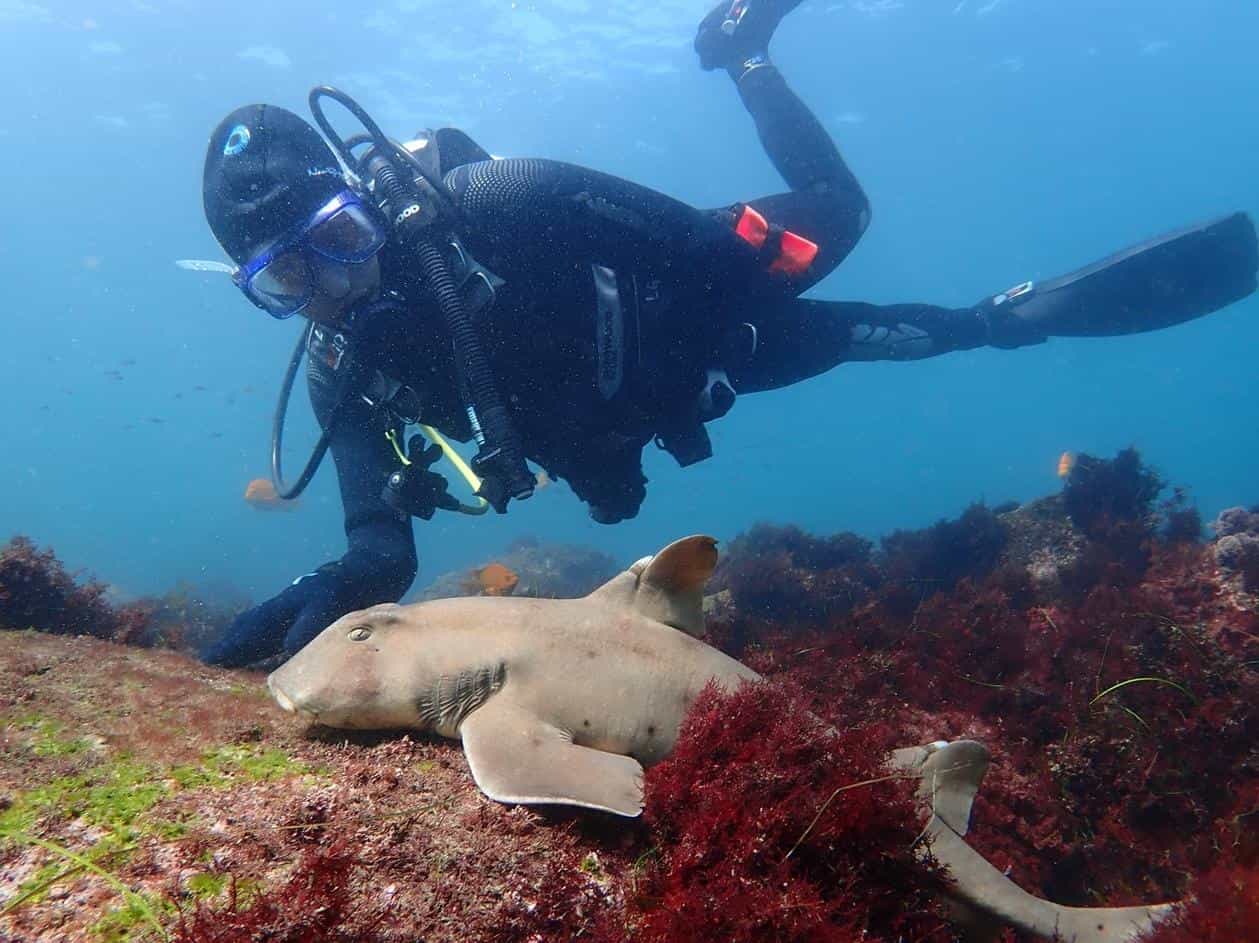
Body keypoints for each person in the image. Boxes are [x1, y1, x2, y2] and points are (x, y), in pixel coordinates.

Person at [199, 0, 1257, 667]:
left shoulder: (505, 198)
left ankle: (741, 49)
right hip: (638, 402)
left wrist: (685, 374)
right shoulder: (346, 365)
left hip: (714, 313)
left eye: (335, 237)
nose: (329, 284)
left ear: (365, 201)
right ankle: (991, 322)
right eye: (286, 273)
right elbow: (379, 540)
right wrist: (334, 585)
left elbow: (700, 259)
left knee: (851, 225)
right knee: (932, 334)